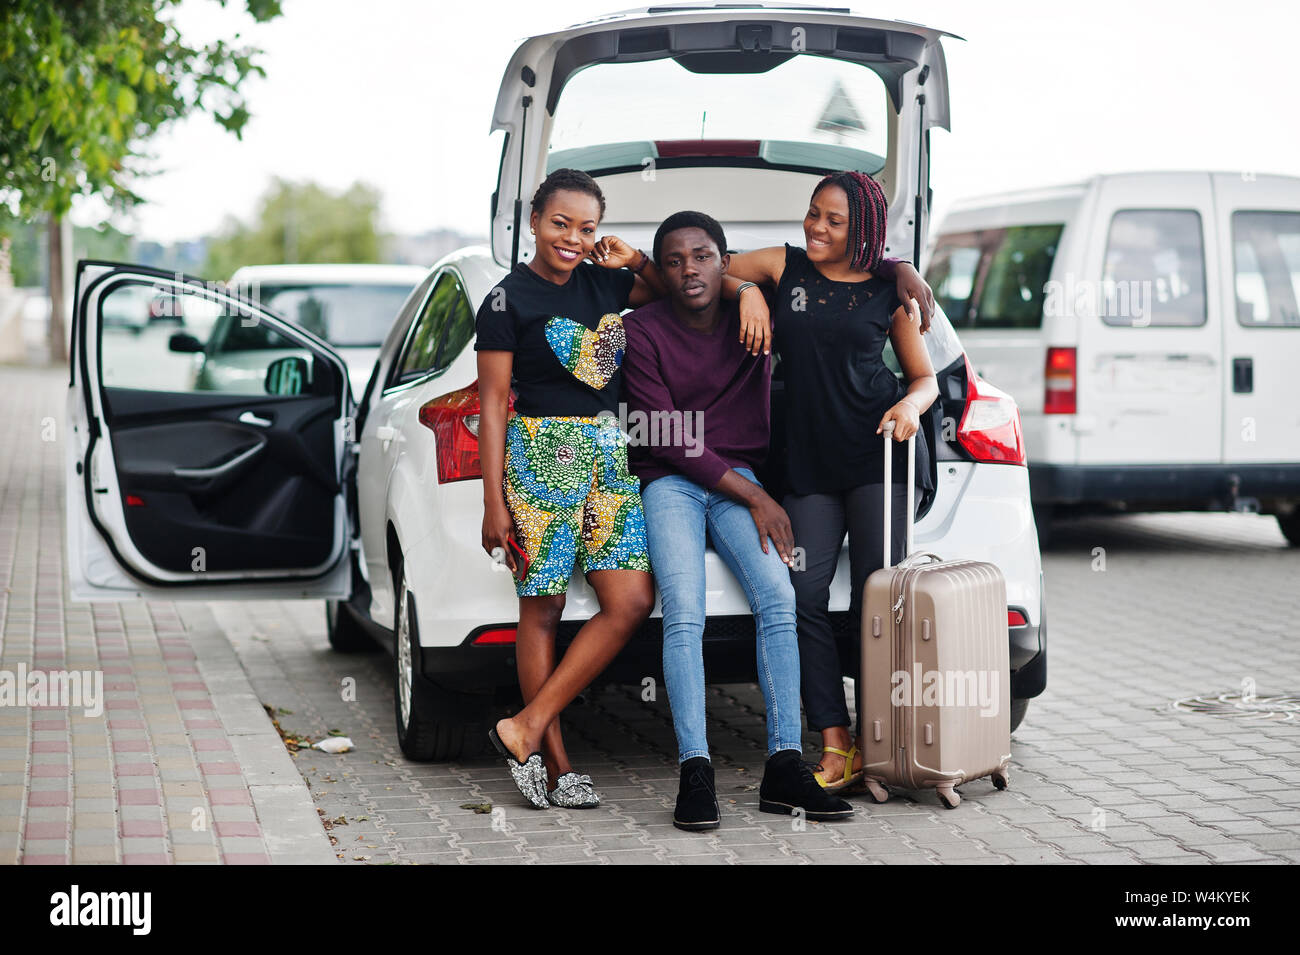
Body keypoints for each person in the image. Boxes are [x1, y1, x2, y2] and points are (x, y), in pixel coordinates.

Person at [476, 169, 768, 809]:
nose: (572, 239)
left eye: (585, 228)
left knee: (632, 599)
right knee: (544, 609)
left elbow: (689, 283)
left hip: (609, 453)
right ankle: (553, 765)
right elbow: (494, 403)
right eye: (560, 224)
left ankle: (521, 726)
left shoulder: (606, 281)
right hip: (539, 455)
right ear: (533, 221)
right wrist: (493, 499)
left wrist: (743, 289)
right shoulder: (505, 301)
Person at [621, 211, 854, 830]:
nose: (688, 269)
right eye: (673, 260)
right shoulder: (640, 329)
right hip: (671, 480)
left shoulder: (760, 311)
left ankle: (784, 767)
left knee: (779, 597)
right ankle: (695, 771)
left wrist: (903, 269)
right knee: (684, 611)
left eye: (702, 256)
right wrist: (756, 498)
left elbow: (842, 266)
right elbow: (666, 437)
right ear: (661, 270)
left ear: (725, 262)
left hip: (736, 479)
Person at [726, 171, 940, 793]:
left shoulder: (885, 292)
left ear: (864, 230)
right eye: (814, 213)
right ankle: (836, 742)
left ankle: (888, 740)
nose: (816, 227)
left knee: (882, 600)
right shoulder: (784, 266)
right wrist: (749, 293)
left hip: (877, 454)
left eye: (834, 220)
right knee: (803, 595)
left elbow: (923, 378)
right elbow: (720, 269)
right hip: (807, 463)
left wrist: (910, 408)